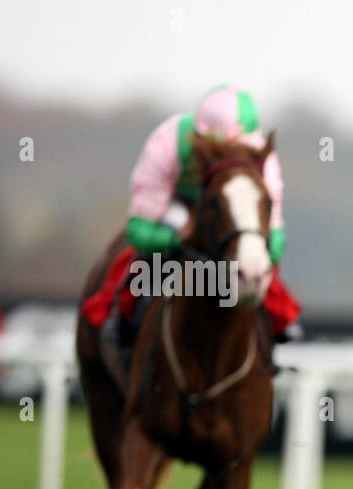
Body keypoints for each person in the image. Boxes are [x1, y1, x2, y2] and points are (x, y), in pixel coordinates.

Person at [81, 84, 301, 346]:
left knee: (253, 249)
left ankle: (276, 321)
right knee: (151, 258)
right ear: (198, 141)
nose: (231, 159)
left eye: (239, 149)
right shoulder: (167, 143)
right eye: (218, 152)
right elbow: (138, 232)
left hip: (227, 216)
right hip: (177, 206)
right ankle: (125, 318)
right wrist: (174, 238)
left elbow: (275, 238)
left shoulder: (262, 157)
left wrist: (260, 251)